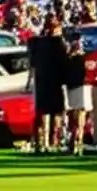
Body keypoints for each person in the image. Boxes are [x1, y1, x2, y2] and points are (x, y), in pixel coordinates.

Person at [27, 17, 67, 153]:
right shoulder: (58, 43)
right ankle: (54, 141)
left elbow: (32, 66)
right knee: (56, 111)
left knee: (44, 111)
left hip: (41, 81)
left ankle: (43, 142)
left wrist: (29, 82)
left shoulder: (36, 43)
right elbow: (64, 63)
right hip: (55, 81)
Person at [63, 35, 90, 155]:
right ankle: (78, 143)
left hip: (72, 89)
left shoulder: (68, 60)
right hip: (80, 88)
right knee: (80, 118)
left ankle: (75, 142)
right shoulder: (82, 59)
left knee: (74, 118)